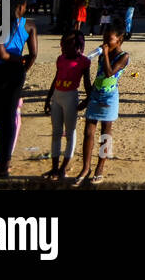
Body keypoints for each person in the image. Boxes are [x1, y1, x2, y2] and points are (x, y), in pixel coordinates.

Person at [0, 0, 38, 179]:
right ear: (22, 6)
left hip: (0, 72)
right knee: (9, 118)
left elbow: (2, 54)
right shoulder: (29, 26)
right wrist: (23, 67)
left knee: (1, 120)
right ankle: (3, 162)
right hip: (16, 73)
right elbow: (33, 55)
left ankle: (3, 163)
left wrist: (18, 62)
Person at [71, 25, 129, 186]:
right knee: (88, 132)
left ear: (119, 40)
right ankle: (85, 168)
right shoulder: (103, 55)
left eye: (109, 40)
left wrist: (104, 54)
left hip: (109, 98)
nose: (105, 43)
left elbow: (110, 73)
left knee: (105, 134)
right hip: (96, 95)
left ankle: (100, 167)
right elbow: (98, 76)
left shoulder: (123, 56)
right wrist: (87, 96)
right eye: (104, 39)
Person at [42, 31, 92, 180]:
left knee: (70, 133)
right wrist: (48, 98)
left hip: (70, 96)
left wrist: (87, 100)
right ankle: (55, 167)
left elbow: (87, 83)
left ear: (77, 47)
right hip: (57, 95)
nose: (62, 48)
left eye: (65, 45)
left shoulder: (83, 62)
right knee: (56, 132)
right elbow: (55, 78)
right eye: (62, 45)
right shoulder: (61, 59)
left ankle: (63, 168)